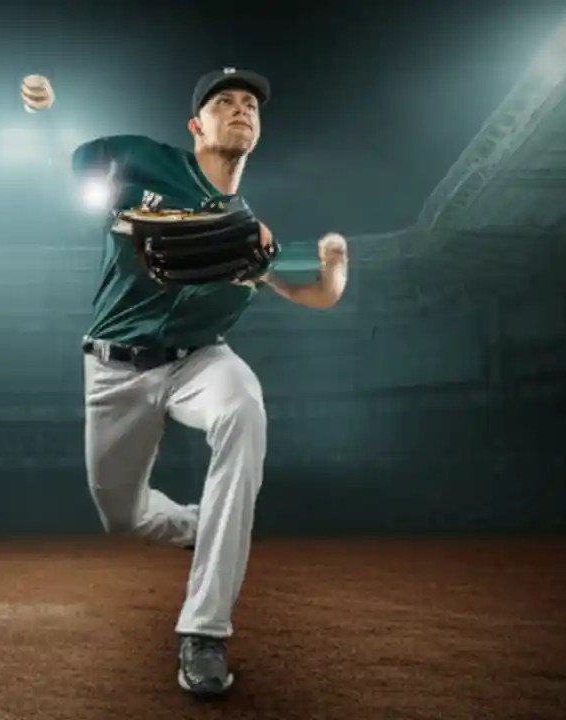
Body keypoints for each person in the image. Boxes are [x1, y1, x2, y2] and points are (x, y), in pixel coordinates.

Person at [57, 68, 350, 695]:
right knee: (122, 517)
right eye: (225, 102)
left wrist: (335, 260)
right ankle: (199, 527)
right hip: (116, 368)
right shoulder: (149, 161)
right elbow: (86, 157)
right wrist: (101, 192)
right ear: (197, 126)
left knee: (244, 406)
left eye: (250, 104)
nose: (241, 110)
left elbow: (319, 292)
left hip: (199, 362)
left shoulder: (253, 234)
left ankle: (205, 631)